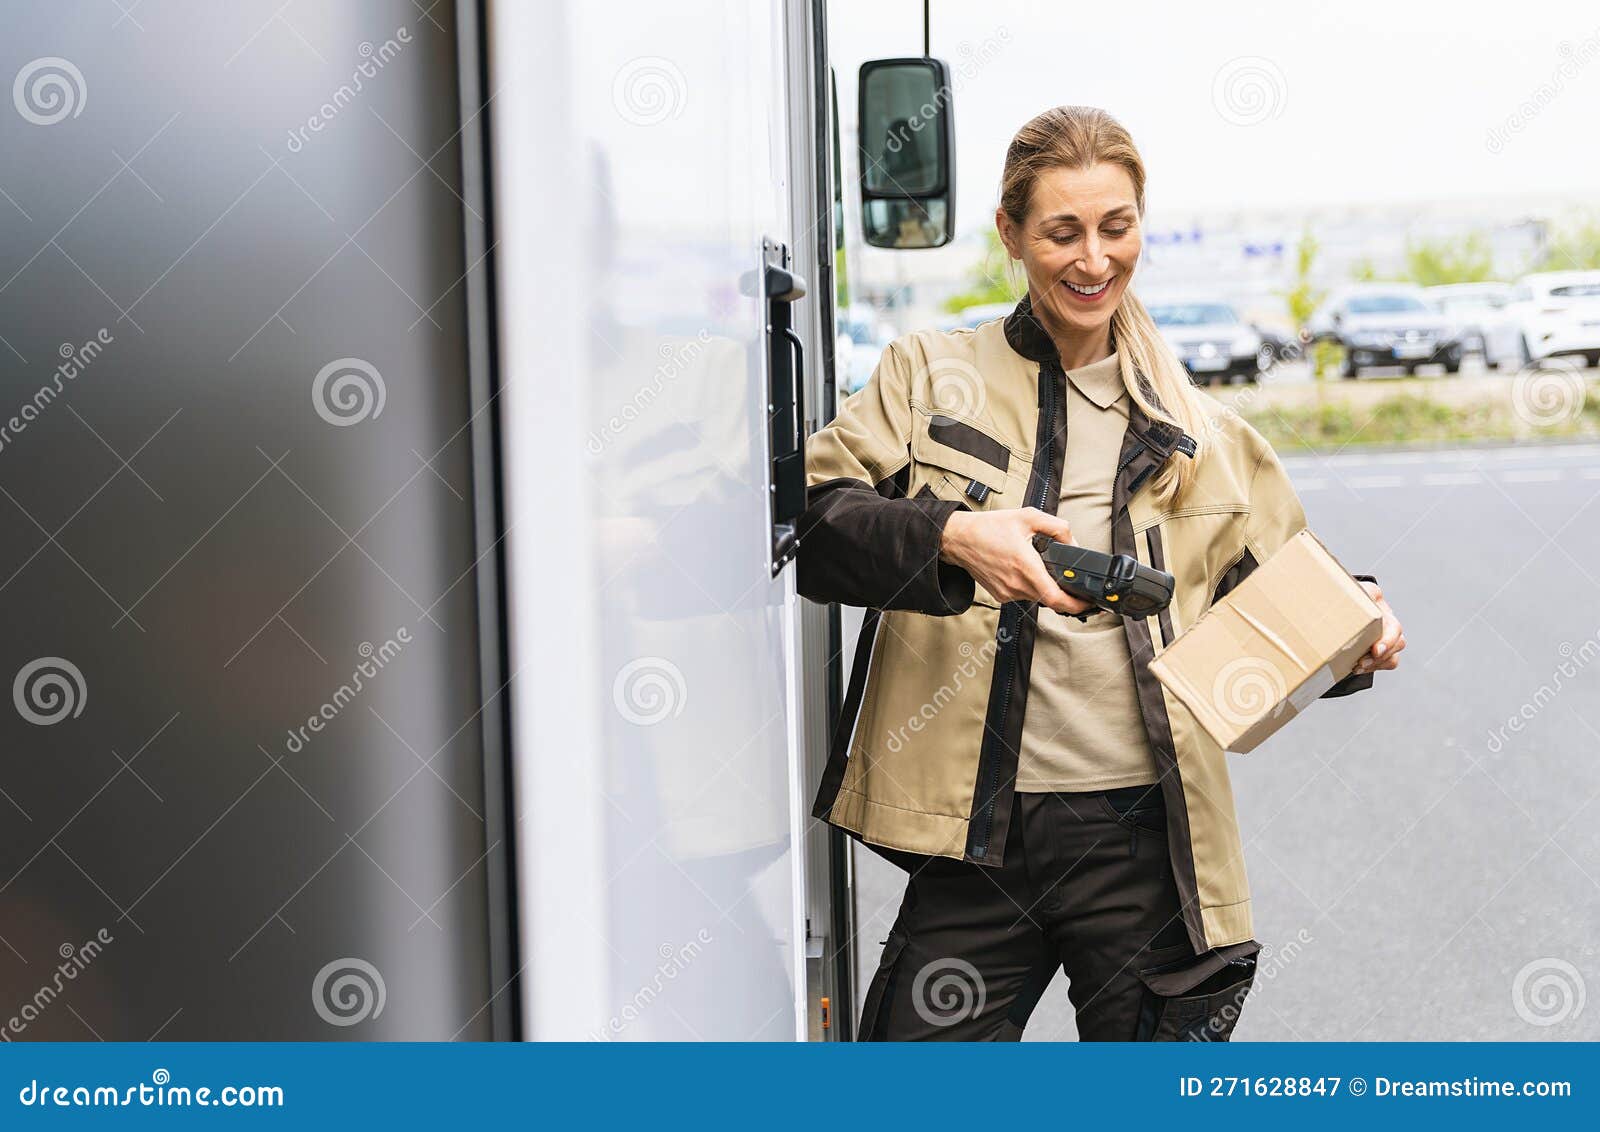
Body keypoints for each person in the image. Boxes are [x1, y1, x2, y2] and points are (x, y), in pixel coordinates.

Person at [796, 105, 1405, 1041]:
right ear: (1010, 234)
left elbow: (1284, 616)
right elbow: (813, 524)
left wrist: (1358, 630)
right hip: (978, 844)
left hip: (1145, 847)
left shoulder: (1207, 435)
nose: (1093, 259)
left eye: (1116, 228)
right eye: (1062, 232)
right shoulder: (926, 377)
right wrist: (953, 537)